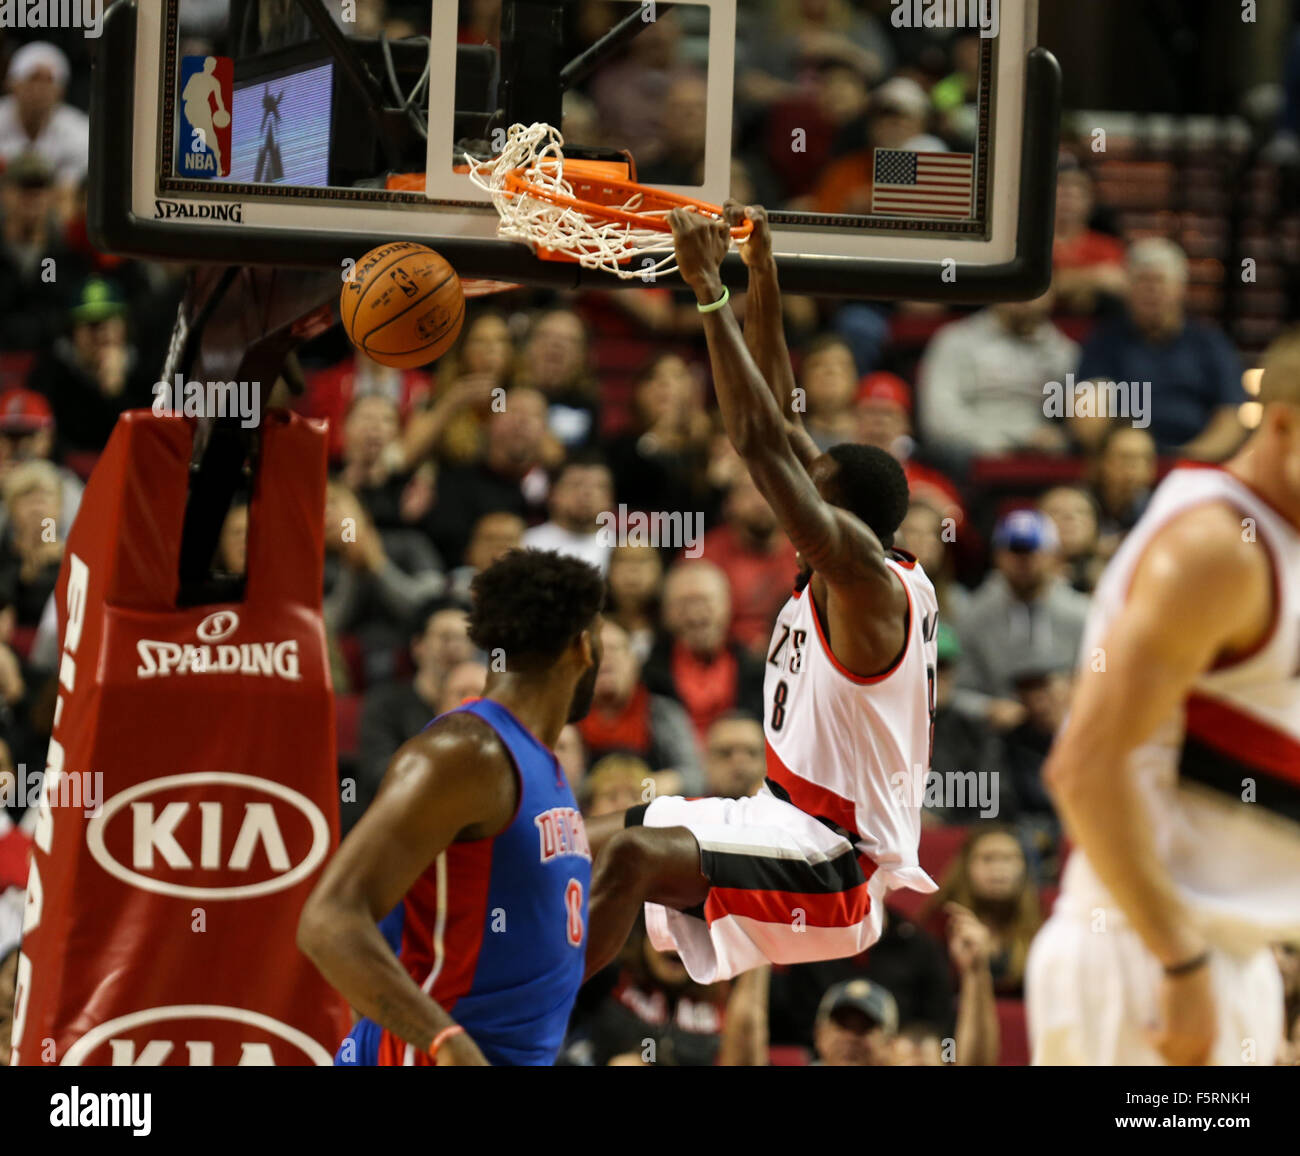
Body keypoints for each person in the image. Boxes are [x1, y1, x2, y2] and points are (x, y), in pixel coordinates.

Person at [583, 204, 938, 986]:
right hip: (778, 813)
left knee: (639, 857)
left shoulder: (864, 583)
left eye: (810, 493)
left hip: (836, 862)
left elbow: (753, 439)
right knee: (586, 841)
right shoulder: (863, 552)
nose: (790, 497)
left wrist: (709, 289)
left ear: (838, 518)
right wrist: (763, 268)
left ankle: (520, 1036)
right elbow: (778, 417)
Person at [1026, 328, 1300, 1066]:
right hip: (1147, 956)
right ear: (1282, 423)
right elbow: (1083, 769)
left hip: (1226, 956)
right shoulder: (1219, 549)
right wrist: (1179, 961)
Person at [299, 548, 606, 1067]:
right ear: (581, 646)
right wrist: (449, 1045)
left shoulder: (542, 765)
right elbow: (328, 920)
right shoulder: (468, 750)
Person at [1075, 238, 1246, 458]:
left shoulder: (1210, 344)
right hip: (1123, 465)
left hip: (1193, 463)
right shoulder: (1103, 342)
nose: (1151, 290)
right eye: (1142, 281)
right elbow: (1087, 417)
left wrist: (1188, 461)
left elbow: (1231, 418)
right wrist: (1126, 459)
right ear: (1128, 289)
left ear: (1180, 289)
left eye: (1159, 281)